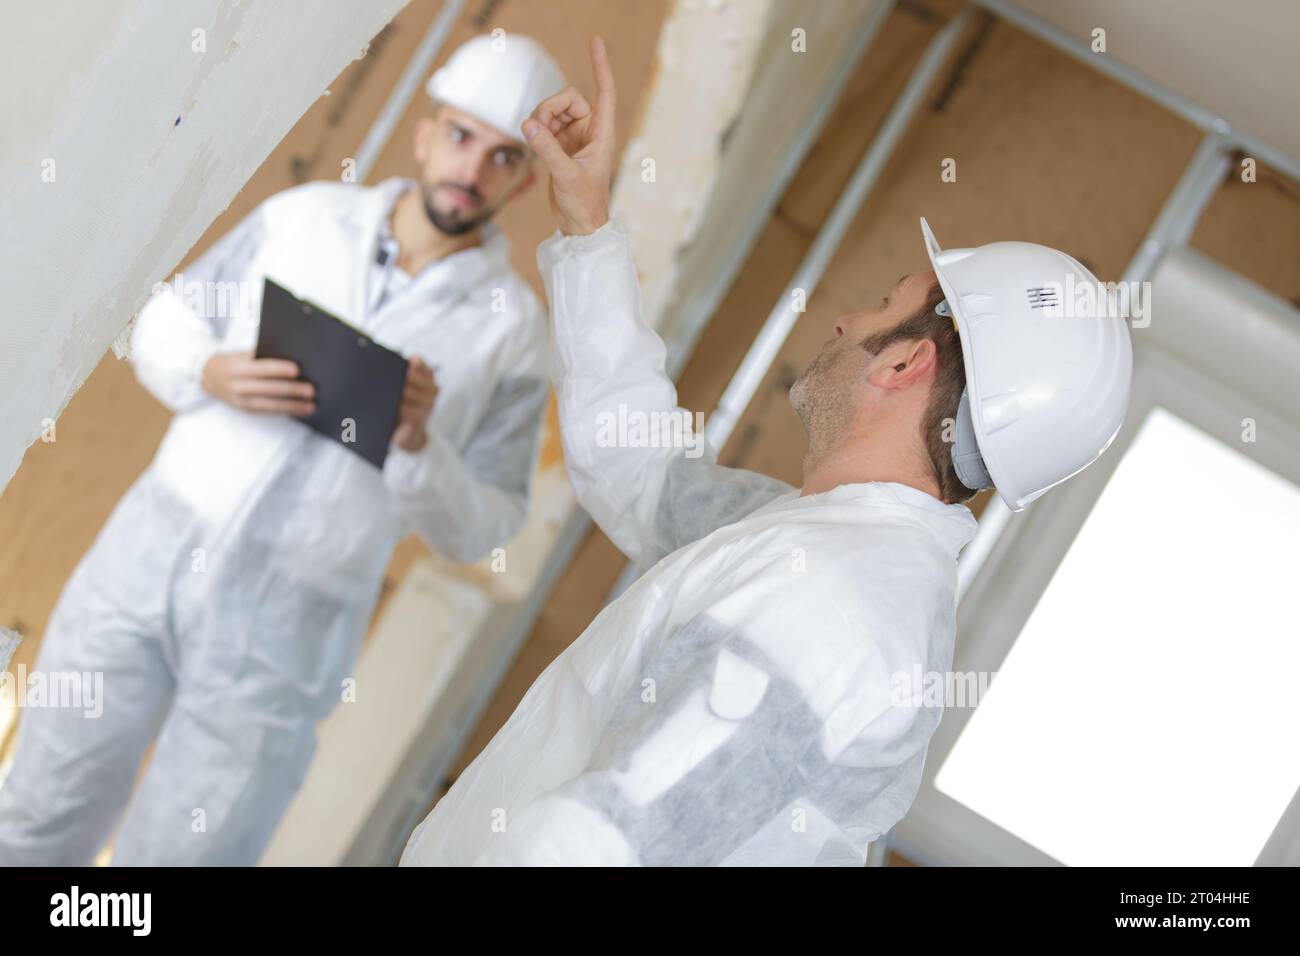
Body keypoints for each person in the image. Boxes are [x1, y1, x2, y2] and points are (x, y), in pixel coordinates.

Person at [399, 37, 1132, 866]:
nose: (845, 323)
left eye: (880, 307)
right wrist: (588, 222)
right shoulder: (815, 543)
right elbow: (641, 478)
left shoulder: (836, 607)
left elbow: (598, 845)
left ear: (902, 362)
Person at [0, 34, 566, 866]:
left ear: (521, 178)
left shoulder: (514, 335)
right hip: (147, 560)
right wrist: (211, 369)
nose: (472, 168)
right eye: (459, 136)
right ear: (424, 133)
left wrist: (416, 443)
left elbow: (486, 527)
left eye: (503, 156)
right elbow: (163, 317)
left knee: (189, 854)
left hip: (290, 624)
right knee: (40, 810)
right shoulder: (304, 220)